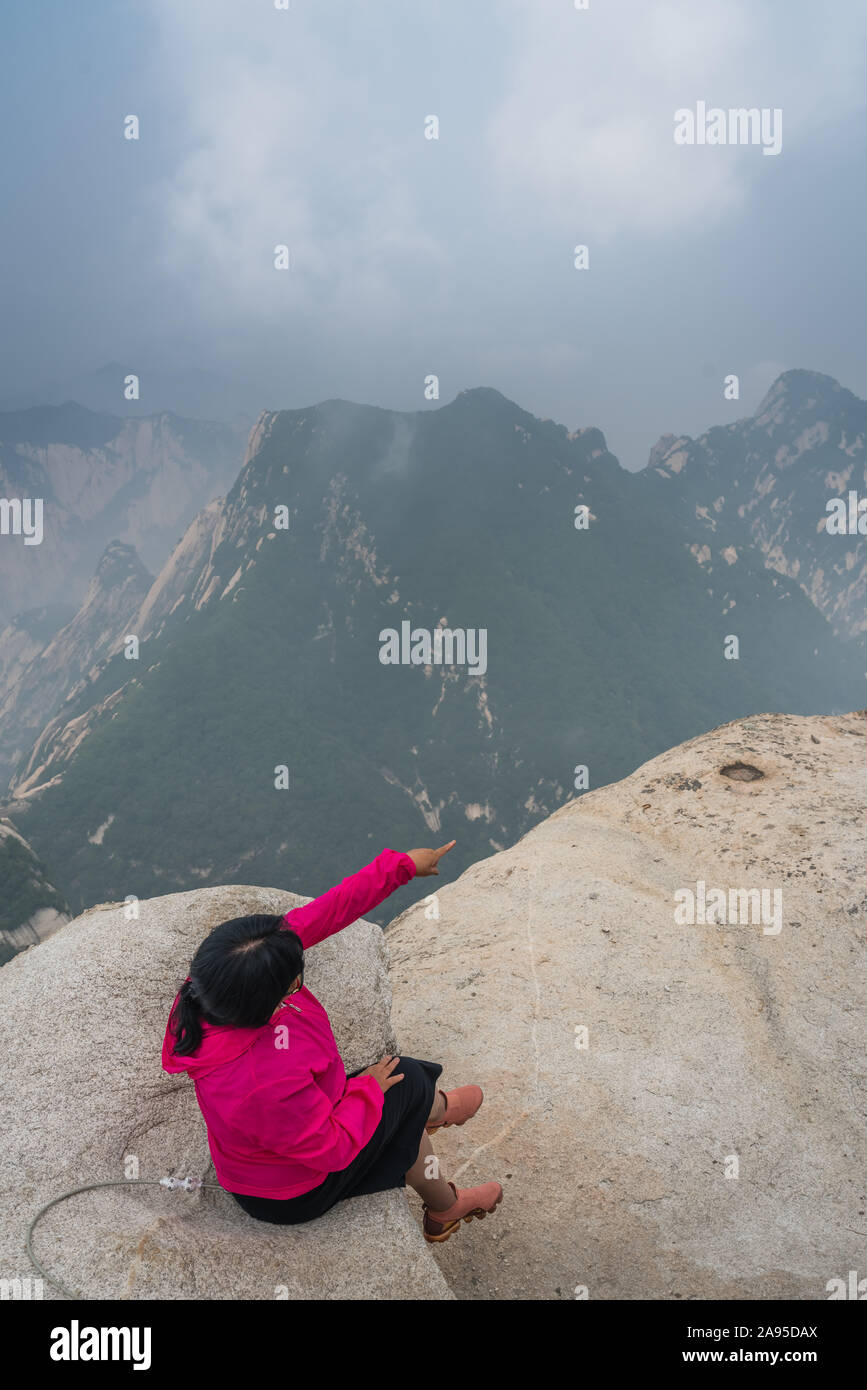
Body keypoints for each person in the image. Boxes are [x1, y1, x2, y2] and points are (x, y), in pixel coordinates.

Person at [162, 841, 503, 1243]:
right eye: (295, 979)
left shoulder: (218, 989)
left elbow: (326, 912)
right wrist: (368, 1092)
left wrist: (402, 867)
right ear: (269, 1002)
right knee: (404, 1080)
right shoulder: (262, 1081)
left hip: (296, 1125)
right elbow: (332, 1149)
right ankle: (445, 1203)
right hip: (294, 1189)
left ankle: (430, 1110)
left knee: (400, 1092)